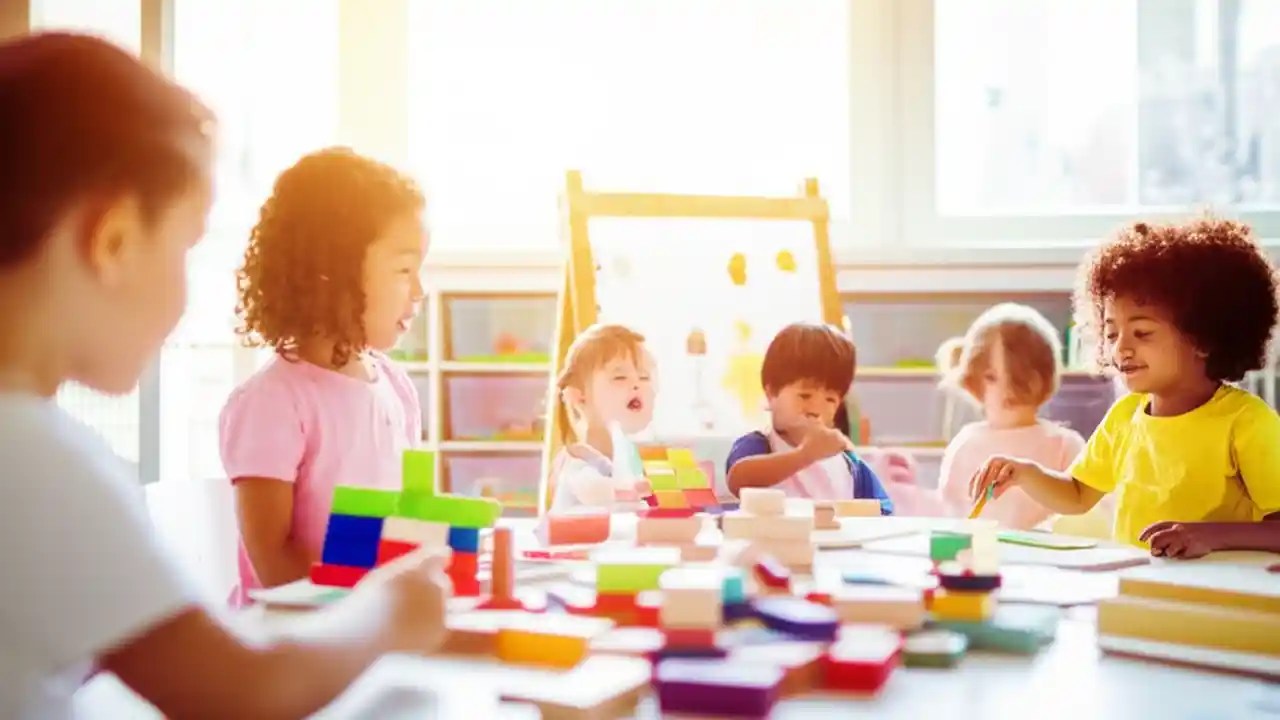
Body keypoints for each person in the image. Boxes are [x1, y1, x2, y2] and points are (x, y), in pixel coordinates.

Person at [0, 33, 449, 719]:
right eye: (187, 246)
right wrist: (393, 609)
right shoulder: (33, 457)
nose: (183, 292)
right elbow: (244, 690)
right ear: (112, 239)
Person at [971, 218, 1280, 557]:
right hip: (1140, 587)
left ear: (1204, 338)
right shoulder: (1125, 416)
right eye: (1111, 334)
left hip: (1220, 595)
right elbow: (1076, 494)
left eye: (1143, 333)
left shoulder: (1247, 422)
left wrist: (1210, 536)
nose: (1120, 349)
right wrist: (1025, 473)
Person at [220, 147, 427, 603]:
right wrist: (369, 600)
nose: (419, 291)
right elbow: (274, 564)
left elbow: (410, 521)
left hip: (371, 627)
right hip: (291, 642)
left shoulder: (396, 388)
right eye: (404, 270)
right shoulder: (273, 403)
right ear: (331, 272)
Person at [936, 303, 1090, 529]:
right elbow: (950, 512)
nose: (1006, 388)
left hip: (1047, 560)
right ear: (972, 380)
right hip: (982, 557)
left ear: (1045, 377)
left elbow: (1089, 516)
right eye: (991, 377)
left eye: (1019, 376)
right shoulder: (966, 443)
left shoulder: (1064, 445)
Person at [725, 322, 893, 510]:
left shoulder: (848, 463)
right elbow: (738, 480)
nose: (816, 408)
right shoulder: (760, 445)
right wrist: (805, 454)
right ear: (771, 394)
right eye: (805, 396)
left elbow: (883, 509)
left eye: (830, 400)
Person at [548, 323, 655, 511]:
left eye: (644, 377)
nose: (636, 385)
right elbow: (591, 489)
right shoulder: (578, 456)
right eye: (620, 378)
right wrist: (632, 490)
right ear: (579, 396)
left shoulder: (626, 457)